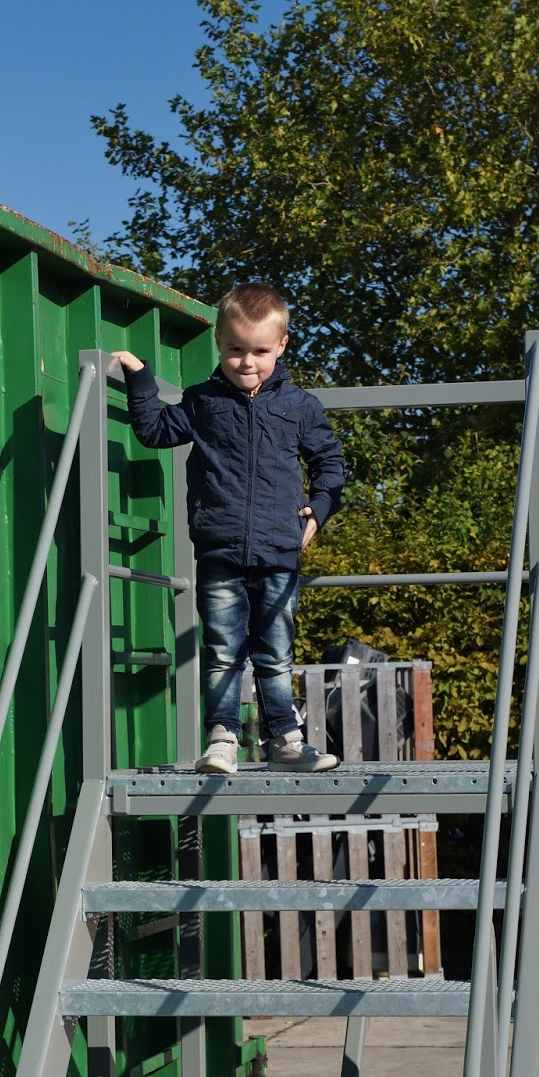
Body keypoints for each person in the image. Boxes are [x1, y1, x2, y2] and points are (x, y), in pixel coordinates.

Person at [112, 282, 345, 774]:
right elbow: (155, 431)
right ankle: (222, 740)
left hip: (279, 549)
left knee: (275, 652)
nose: (247, 361)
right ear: (219, 341)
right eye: (236, 349)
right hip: (218, 548)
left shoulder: (300, 406)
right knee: (221, 651)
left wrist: (319, 508)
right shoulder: (201, 401)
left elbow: (329, 462)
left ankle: (285, 740)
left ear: (281, 346)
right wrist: (140, 378)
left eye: (260, 351)